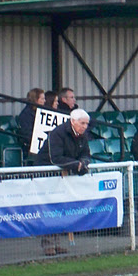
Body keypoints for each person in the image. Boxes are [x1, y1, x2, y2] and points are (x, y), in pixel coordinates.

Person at [35, 108, 92, 256]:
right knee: (50, 208)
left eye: (87, 124)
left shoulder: (83, 136)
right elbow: (56, 158)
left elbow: (86, 153)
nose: (85, 126)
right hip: (47, 172)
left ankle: (57, 243)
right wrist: (75, 164)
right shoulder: (57, 133)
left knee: (61, 207)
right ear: (73, 121)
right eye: (82, 123)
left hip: (65, 172)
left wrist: (84, 162)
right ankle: (48, 244)